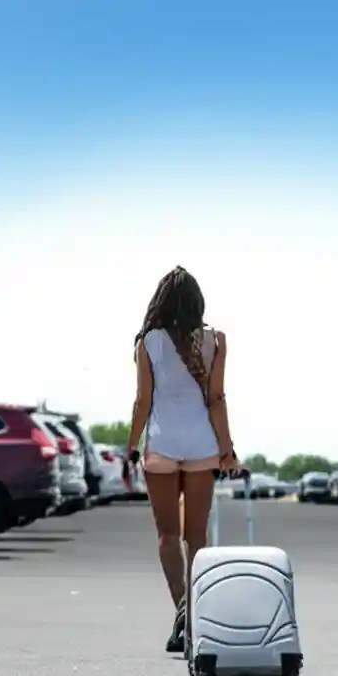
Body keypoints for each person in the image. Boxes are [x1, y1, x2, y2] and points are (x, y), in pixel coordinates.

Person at [123, 266, 238, 653]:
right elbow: (216, 399)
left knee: (168, 536)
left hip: (162, 445)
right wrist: (227, 449)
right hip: (202, 445)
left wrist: (132, 445)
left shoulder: (148, 342)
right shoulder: (216, 341)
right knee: (197, 536)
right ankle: (195, 616)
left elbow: (143, 400)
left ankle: (182, 613)